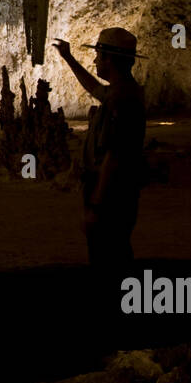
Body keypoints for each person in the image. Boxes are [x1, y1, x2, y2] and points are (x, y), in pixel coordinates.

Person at [53, 28, 147, 272]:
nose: (95, 60)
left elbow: (113, 157)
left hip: (111, 198)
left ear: (109, 59)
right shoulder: (122, 91)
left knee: (108, 260)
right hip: (117, 195)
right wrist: (68, 58)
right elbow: (94, 88)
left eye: (98, 55)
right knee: (113, 255)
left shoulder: (122, 100)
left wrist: (95, 205)